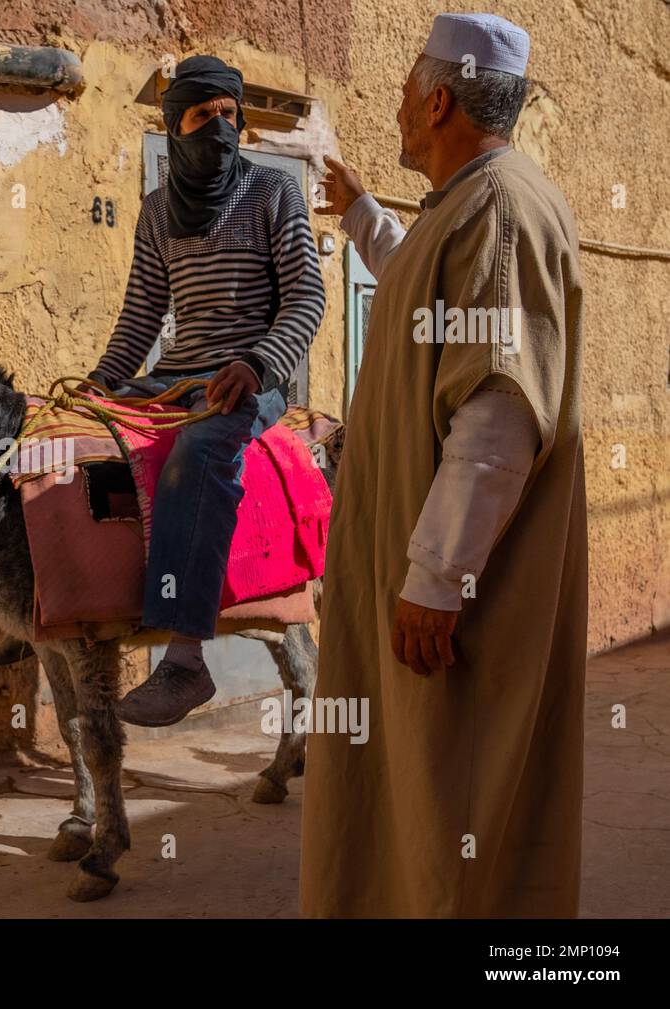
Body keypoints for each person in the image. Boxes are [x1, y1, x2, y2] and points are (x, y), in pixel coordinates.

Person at [302, 13, 587, 916]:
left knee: (455, 803)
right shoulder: (468, 208)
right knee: (412, 804)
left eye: (402, 92)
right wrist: (358, 211)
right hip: (422, 585)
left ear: (438, 98)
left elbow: (498, 402)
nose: (394, 108)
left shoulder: (499, 210)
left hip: (452, 605)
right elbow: (425, 295)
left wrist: (435, 574)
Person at [0, 55, 326, 729]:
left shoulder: (273, 194)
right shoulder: (157, 210)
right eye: (204, 115)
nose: (220, 128)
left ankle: (186, 657)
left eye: (230, 115)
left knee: (199, 452)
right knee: (54, 440)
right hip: (175, 376)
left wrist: (259, 363)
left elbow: (307, 296)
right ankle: (32, 610)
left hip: (253, 379)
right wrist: (95, 389)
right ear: (176, 126)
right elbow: (141, 315)